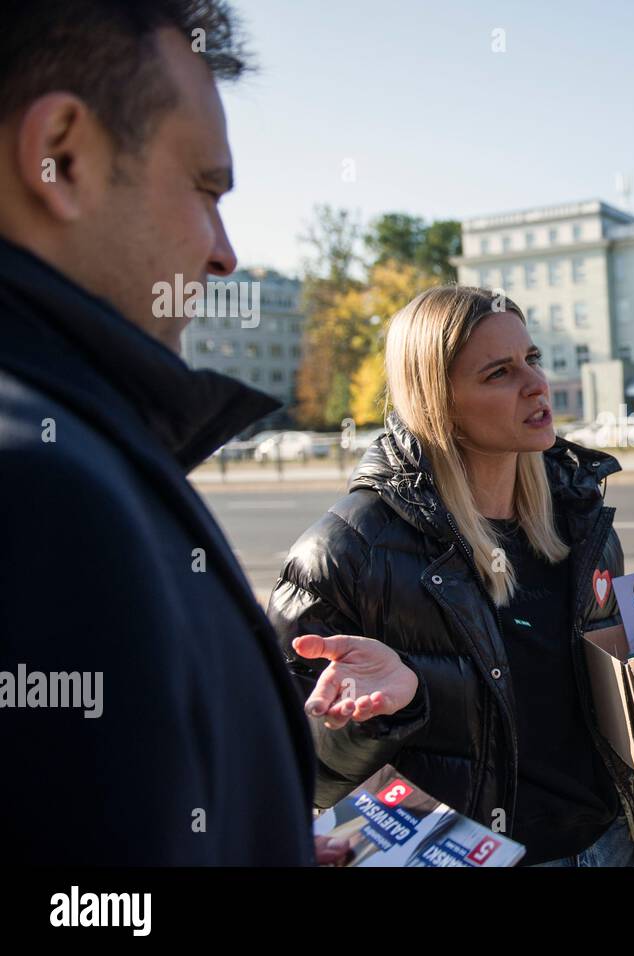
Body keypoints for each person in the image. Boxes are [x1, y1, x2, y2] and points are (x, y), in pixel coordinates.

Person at [0, 0, 414, 865]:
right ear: (62, 157)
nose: (224, 252)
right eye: (205, 188)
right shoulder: (40, 485)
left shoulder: (75, 440)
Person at [267, 287, 634, 867]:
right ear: (438, 400)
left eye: (532, 359)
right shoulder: (348, 551)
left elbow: (600, 705)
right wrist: (388, 713)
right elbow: (286, 765)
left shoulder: (582, 524)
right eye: (500, 372)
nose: (536, 385)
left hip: (611, 843)